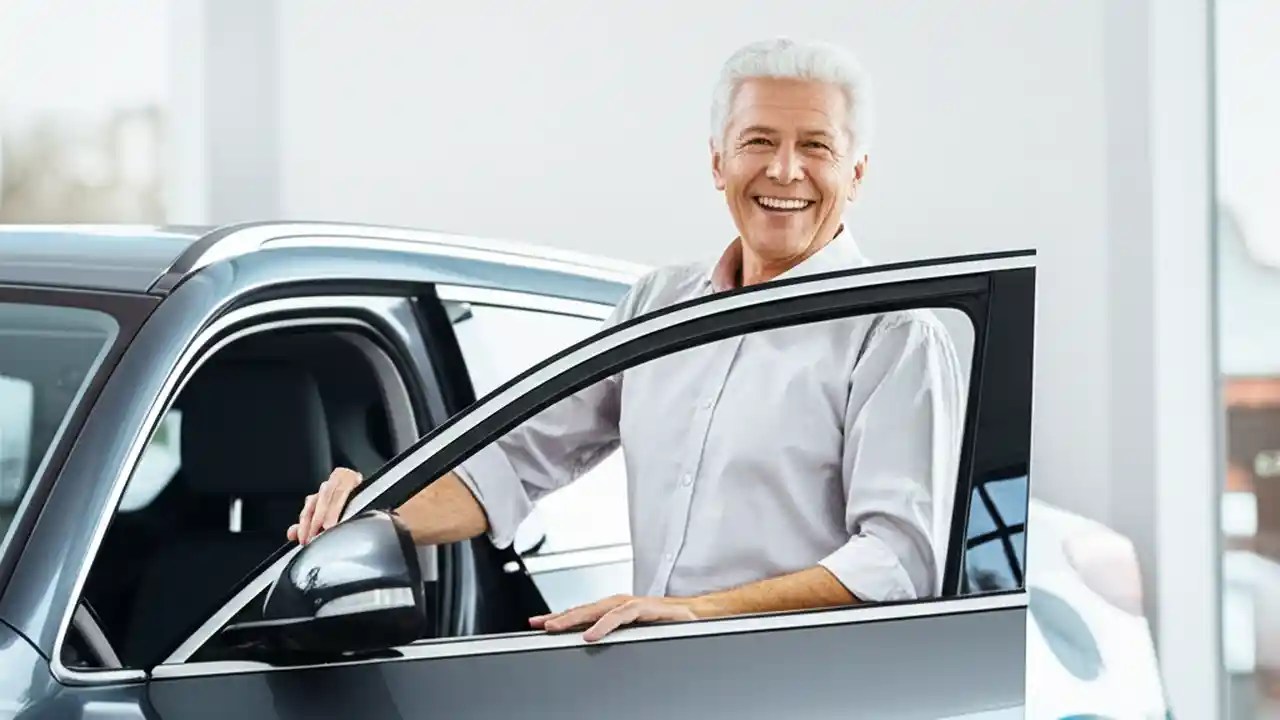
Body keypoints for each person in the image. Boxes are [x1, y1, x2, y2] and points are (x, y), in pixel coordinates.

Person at [287, 37, 964, 642]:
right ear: (718, 162)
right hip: (656, 684)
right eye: (758, 141)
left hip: (806, 690)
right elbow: (515, 463)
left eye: (815, 146)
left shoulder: (895, 333)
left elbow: (898, 561)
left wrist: (698, 612)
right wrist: (376, 513)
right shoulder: (659, 305)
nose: (784, 171)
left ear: (857, 174)